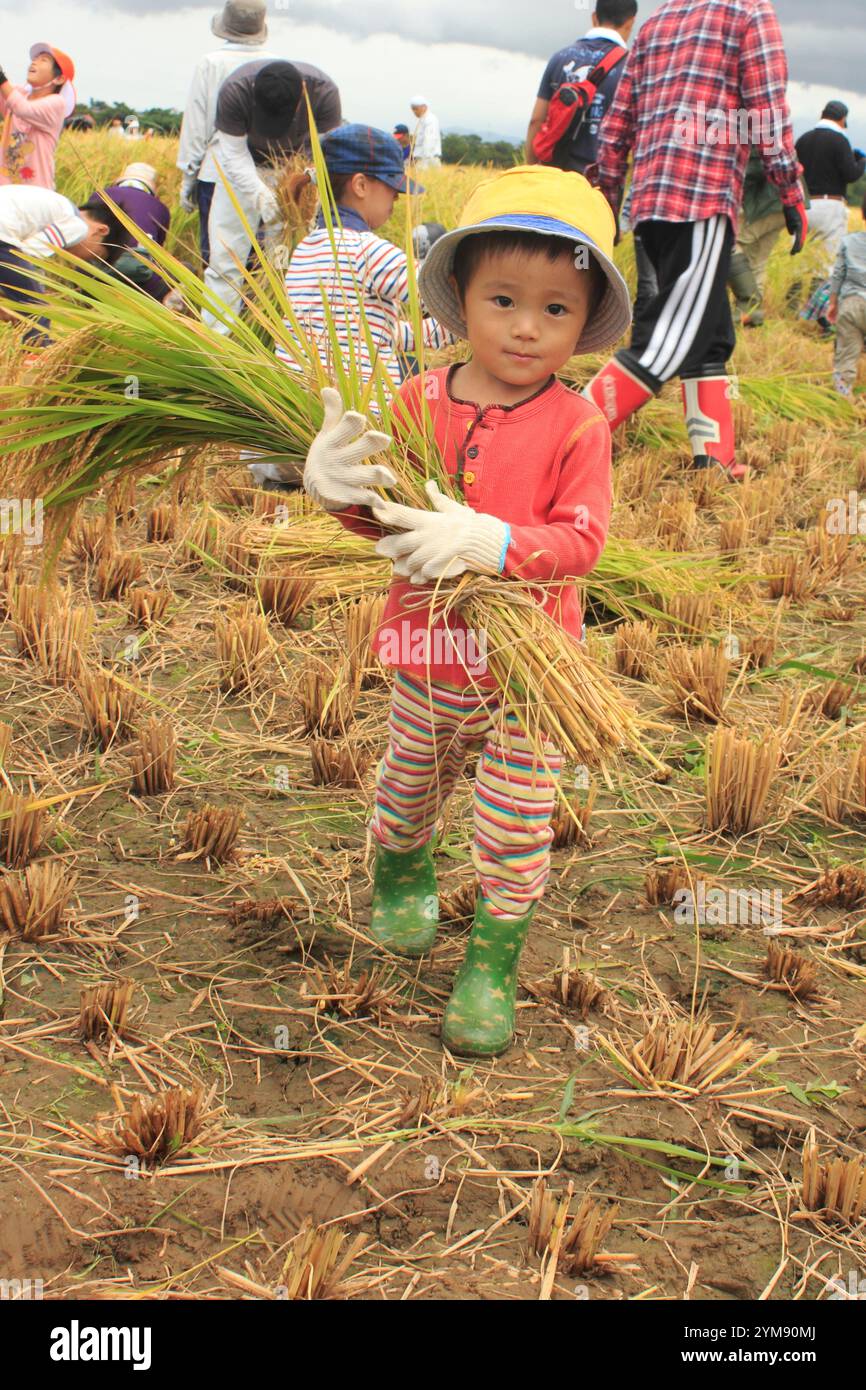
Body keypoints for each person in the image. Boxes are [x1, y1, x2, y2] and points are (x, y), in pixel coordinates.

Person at [301, 165, 631, 1056]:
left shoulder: (578, 424)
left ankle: (492, 953)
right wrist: (333, 486)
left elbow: (584, 542)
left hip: (531, 673)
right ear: (462, 302)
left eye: (557, 309)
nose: (527, 327)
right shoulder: (417, 403)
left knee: (517, 818)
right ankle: (401, 862)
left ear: (584, 319)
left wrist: (497, 546)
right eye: (504, 300)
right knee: (412, 783)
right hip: (428, 653)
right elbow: (383, 519)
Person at [584, 0, 807, 482]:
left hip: (650, 204)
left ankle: (714, 460)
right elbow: (767, 110)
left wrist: (609, 193)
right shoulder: (748, 12)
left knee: (709, 336)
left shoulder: (658, 21)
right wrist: (789, 189)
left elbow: (617, 122)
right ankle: (552, 440)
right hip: (701, 198)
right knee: (666, 343)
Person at [262, 127, 451, 488]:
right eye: (393, 190)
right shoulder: (368, 250)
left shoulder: (305, 250)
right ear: (361, 185)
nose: (396, 202)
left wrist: (456, 328)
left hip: (290, 436)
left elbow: (388, 336)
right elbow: (437, 292)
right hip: (354, 442)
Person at [202, 58, 341, 332]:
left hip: (295, 171)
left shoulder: (324, 92)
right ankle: (218, 337)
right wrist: (263, 198)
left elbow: (327, 151)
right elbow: (233, 155)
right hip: (243, 170)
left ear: (302, 93)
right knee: (226, 255)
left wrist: (302, 184)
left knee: (288, 258)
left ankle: (281, 334)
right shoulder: (236, 90)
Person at [176, 0, 276, 266]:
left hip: (217, 172)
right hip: (267, 175)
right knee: (261, 258)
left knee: (219, 257)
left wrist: (188, 177)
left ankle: (219, 309)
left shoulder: (210, 63)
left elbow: (197, 124)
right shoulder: (276, 64)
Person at [0, 184, 128, 341]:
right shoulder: (77, 226)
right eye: (95, 255)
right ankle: (37, 352)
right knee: (37, 306)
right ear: (100, 231)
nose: (83, 260)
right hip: (2, 233)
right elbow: (27, 255)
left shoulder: (60, 208)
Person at [526, 0, 637, 173]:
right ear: (631, 22)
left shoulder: (560, 57)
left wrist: (531, 169)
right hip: (595, 182)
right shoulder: (631, 67)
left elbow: (536, 121)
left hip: (551, 173)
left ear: (594, 17)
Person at [727, 146, 805, 327]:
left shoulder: (754, 131)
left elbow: (753, 169)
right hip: (786, 204)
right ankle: (752, 317)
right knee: (757, 261)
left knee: (729, 242)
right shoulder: (776, 132)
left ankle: (749, 303)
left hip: (769, 203)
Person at [796, 101, 866, 280]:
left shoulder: (803, 139)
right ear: (842, 119)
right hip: (830, 206)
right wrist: (861, 162)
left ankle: (792, 301)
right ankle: (817, 301)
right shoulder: (840, 140)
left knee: (800, 261)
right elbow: (851, 174)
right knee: (826, 262)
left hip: (803, 205)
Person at [0, 43, 76, 189]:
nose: (34, 62)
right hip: (5, 189)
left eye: (44, 60)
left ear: (59, 79)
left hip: (36, 192)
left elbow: (22, 108)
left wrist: (1, 78)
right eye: (35, 58)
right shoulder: (18, 94)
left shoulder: (57, 103)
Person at [98, 162, 172, 302]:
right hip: (142, 284)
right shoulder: (160, 208)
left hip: (98, 276)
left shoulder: (100, 195)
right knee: (184, 269)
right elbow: (157, 251)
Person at [828, 191, 866, 397]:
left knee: (845, 358)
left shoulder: (849, 242)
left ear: (862, 213)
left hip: (852, 304)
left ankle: (842, 396)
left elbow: (838, 275)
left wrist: (833, 303)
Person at [410, 96, 441, 168]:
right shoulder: (422, 120)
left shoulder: (430, 119)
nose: (414, 112)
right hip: (423, 159)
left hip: (427, 159)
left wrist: (424, 162)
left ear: (424, 107)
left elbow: (429, 141)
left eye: (416, 109)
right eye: (413, 110)